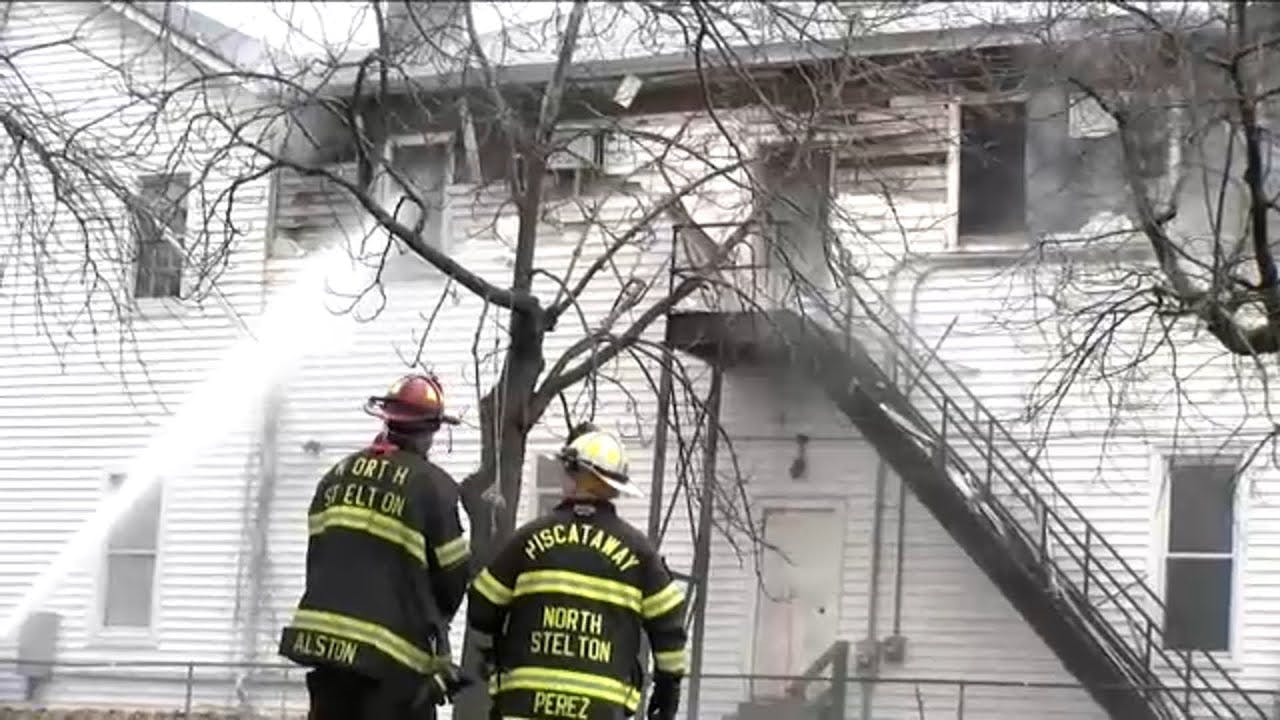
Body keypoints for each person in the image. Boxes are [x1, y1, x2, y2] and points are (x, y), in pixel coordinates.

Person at [280, 373, 474, 720]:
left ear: (387, 418)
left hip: (325, 647)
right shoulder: (433, 486)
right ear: (431, 429)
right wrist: (431, 625)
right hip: (389, 658)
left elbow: (319, 555)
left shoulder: (336, 474)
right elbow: (452, 580)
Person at [467, 423, 687, 720]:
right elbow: (670, 627)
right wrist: (668, 689)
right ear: (615, 488)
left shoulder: (528, 539)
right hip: (601, 710)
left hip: (524, 706)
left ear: (574, 475)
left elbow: (481, 609)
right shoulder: (639, 553)